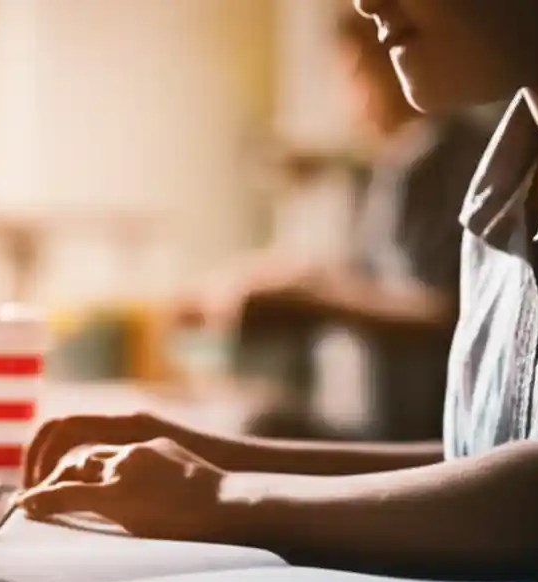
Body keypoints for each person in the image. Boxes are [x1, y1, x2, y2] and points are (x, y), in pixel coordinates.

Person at [17, 0, 538, 581]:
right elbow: (484, 467)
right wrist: (200, 454)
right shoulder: (507, 185)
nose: (367, 2)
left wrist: (219, 498)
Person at [187, 10, 486, 442]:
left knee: (251, 430)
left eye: (357, 73)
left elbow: (446, 311)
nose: (350, 95)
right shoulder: (391, 164)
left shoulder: (454, 162)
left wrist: (314, 300)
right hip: (365, 416)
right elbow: (372, 276)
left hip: (421, 433)